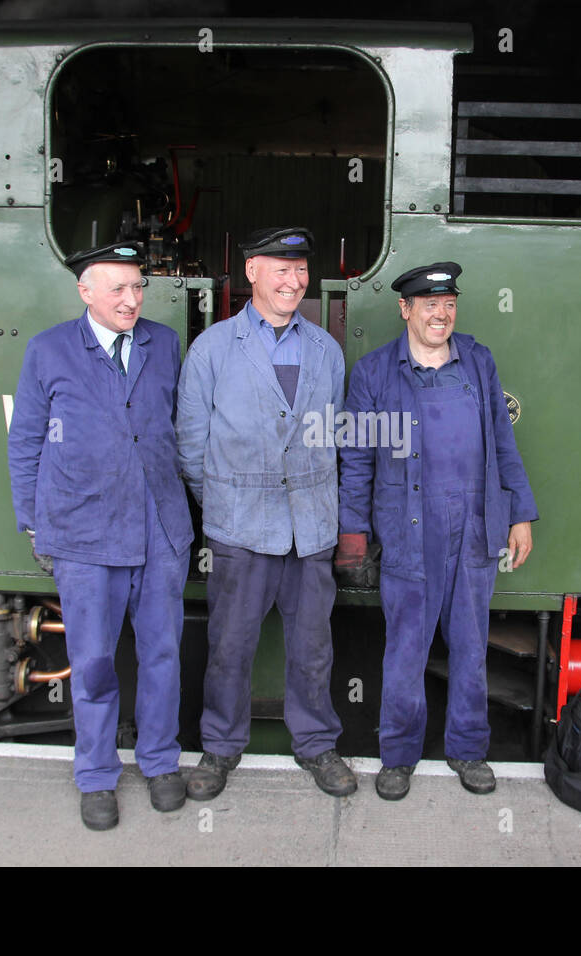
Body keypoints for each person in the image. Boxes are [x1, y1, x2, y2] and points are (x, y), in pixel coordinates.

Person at [7, 241, 194, 829]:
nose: (132, 299)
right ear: (85, 291)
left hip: (160, 529)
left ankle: (161, 763)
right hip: (85, 534)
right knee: (91, 662)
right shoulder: (49, 350)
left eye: (138, 287)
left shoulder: (164, 344)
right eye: (117, 288)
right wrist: (35, 521)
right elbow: (26, 442)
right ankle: (95, 775)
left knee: (162, 653)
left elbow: (179, 429)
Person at [336, 261, 538, 800]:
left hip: (473, 529)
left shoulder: (477, 363)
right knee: (405, 650)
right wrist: (352, 532)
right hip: (408, 532)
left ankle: (469, 749)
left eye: (448, 305)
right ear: (406, 309)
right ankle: (398, 756)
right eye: (429, 305)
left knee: (471, 648)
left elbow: (503, 444)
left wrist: (520, 513)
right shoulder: (375, 374)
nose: (440, 314)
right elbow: (356, 459)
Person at [176, 226, 357, 800]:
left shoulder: (326, 350)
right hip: (240, 528)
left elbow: (335, 435)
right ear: (251, 271)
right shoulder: (213, 347)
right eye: (280, 268)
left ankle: (317, 746)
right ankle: (220, 748)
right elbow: (190, 442)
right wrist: (226, 503)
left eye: (300, 269)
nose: (294, 280)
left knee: (312, 647)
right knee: (230, 646)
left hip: (310, 528)